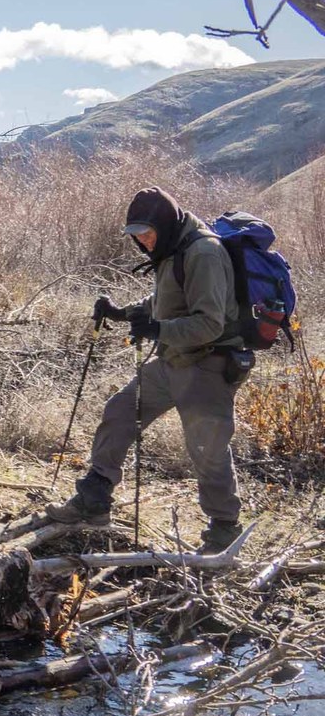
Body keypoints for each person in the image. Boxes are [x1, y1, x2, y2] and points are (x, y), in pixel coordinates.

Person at [47, 187, 249, 554]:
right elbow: (166, 300)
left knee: (207, 447)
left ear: (164, 224)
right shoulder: (172, 246)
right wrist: (122, 312)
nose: (143, 240)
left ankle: (224, 530)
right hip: (173, 359)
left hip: (208, 364)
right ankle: (94, 498)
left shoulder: (203, 252)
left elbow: (210, 323)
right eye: (137, 234)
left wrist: (158, 330)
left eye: (147, 232)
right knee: (120, 411)